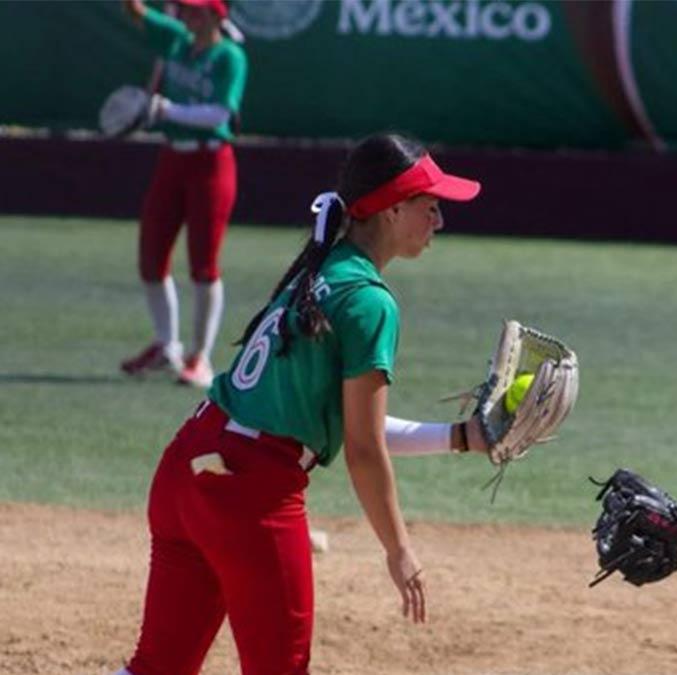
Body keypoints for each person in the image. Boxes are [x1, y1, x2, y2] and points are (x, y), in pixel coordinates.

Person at [113, 134, 491, 675]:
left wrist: (460, 437)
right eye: (429, 206)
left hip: (186, 468)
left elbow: (351, 425)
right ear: (391, 209)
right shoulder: (369, 301)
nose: (440, 220)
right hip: (249, 494)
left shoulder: (320, 270)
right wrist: (398, 549)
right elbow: (362, 450)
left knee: (157, 667)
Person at [117, 0, 248, 388]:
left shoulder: (229, 56)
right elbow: (137, 12)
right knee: (151, 256)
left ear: (216, 15)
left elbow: (220, 115)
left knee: (203, 264)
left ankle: (200, 357)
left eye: (196, 10)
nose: (188, 15)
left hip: (211, 163)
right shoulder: (176, 39)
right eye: (185, 9)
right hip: (172, 159)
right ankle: (166, 346)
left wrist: (167, 110)